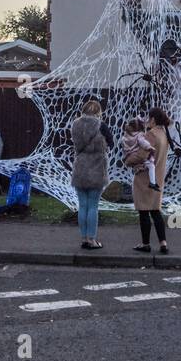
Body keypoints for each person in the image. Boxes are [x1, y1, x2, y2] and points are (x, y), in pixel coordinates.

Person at [70, 99, 111, 250]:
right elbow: (111, 143)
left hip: (80, 167)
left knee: (83, 205)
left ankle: (83, 238)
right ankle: (92, 239)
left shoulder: (75, 124)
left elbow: (75, 144)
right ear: (98, 112)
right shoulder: (102, 126)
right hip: (97, 168)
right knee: (93, 205)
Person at [133, 107, 171, 253]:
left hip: (145, 178)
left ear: (153, 119)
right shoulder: (164, 134)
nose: (147, 121)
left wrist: (129, 160)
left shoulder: (151, 134)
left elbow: (141, 155)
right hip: (158, 177)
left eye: (149, 118)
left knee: (144, 211)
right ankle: (163, 243)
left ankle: (145, 244)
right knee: (155, 211)